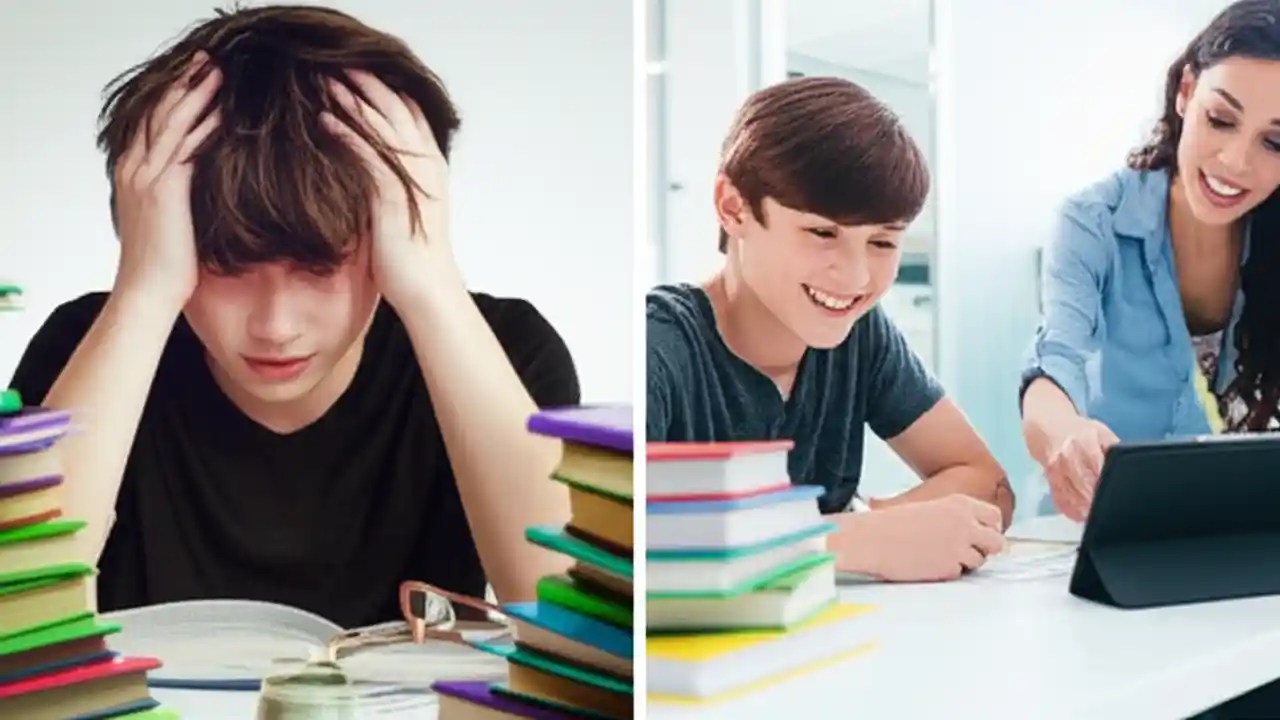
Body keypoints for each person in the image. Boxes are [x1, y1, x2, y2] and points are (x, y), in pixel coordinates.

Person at [8, 5, 580, 627]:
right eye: (225, 265)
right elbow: (16, 602)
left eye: (320, 266)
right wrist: (144, 291)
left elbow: (567, 619)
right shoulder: (86, 346)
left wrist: (432, 283)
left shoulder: (503, 350)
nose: (275, 326)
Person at [647, 76, 1014, 583]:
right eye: (823, 233)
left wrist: (870, 528)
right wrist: (846, 541)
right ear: (733, 208)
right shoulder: (658, 347)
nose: (857, 277)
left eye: (883, 243)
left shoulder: (859, 334)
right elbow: (624, 543)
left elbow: (986, 483)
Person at [1020, 0, 1280, 522]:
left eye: (1274, 141)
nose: (1235, 162)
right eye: (1221, 119)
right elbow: (1057, 361)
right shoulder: (1092, 221)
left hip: (1222, 530)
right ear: (1186, 92)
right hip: (1092, 525)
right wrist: (1067, 435)